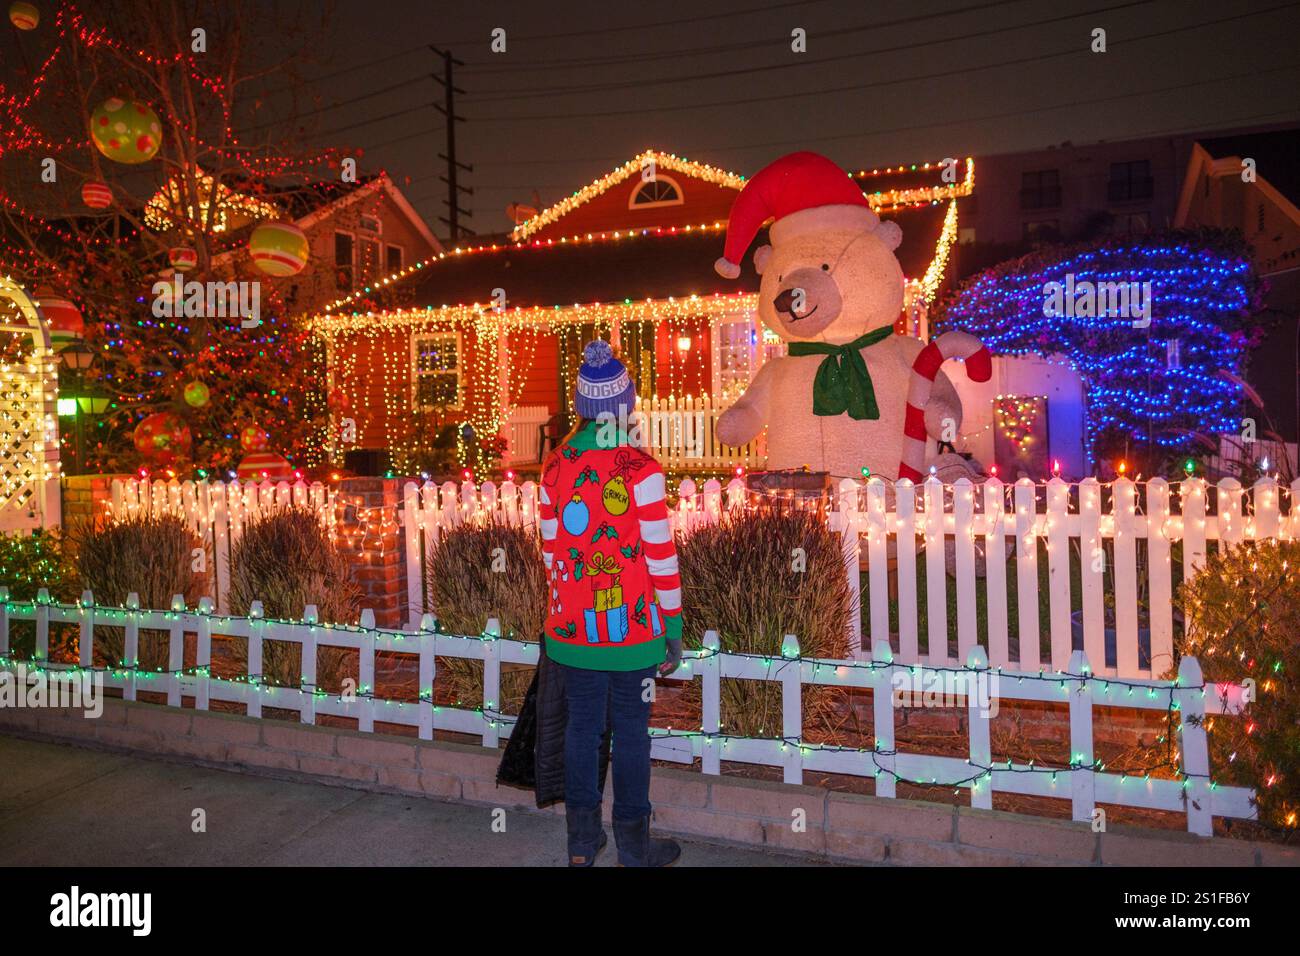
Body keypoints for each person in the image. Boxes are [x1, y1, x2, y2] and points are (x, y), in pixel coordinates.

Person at [538, 340, 684, 867]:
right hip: (633, 633)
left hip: (574, 632)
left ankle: (581, 844)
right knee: (631, 734)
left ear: (581, 405)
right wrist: (674, 625)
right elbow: (660, 556)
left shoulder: (555, 467)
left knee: (582, 729)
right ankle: (633, 845)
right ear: (625, 404)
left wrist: (566, 614)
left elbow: (553, 552)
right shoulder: (642, 469)